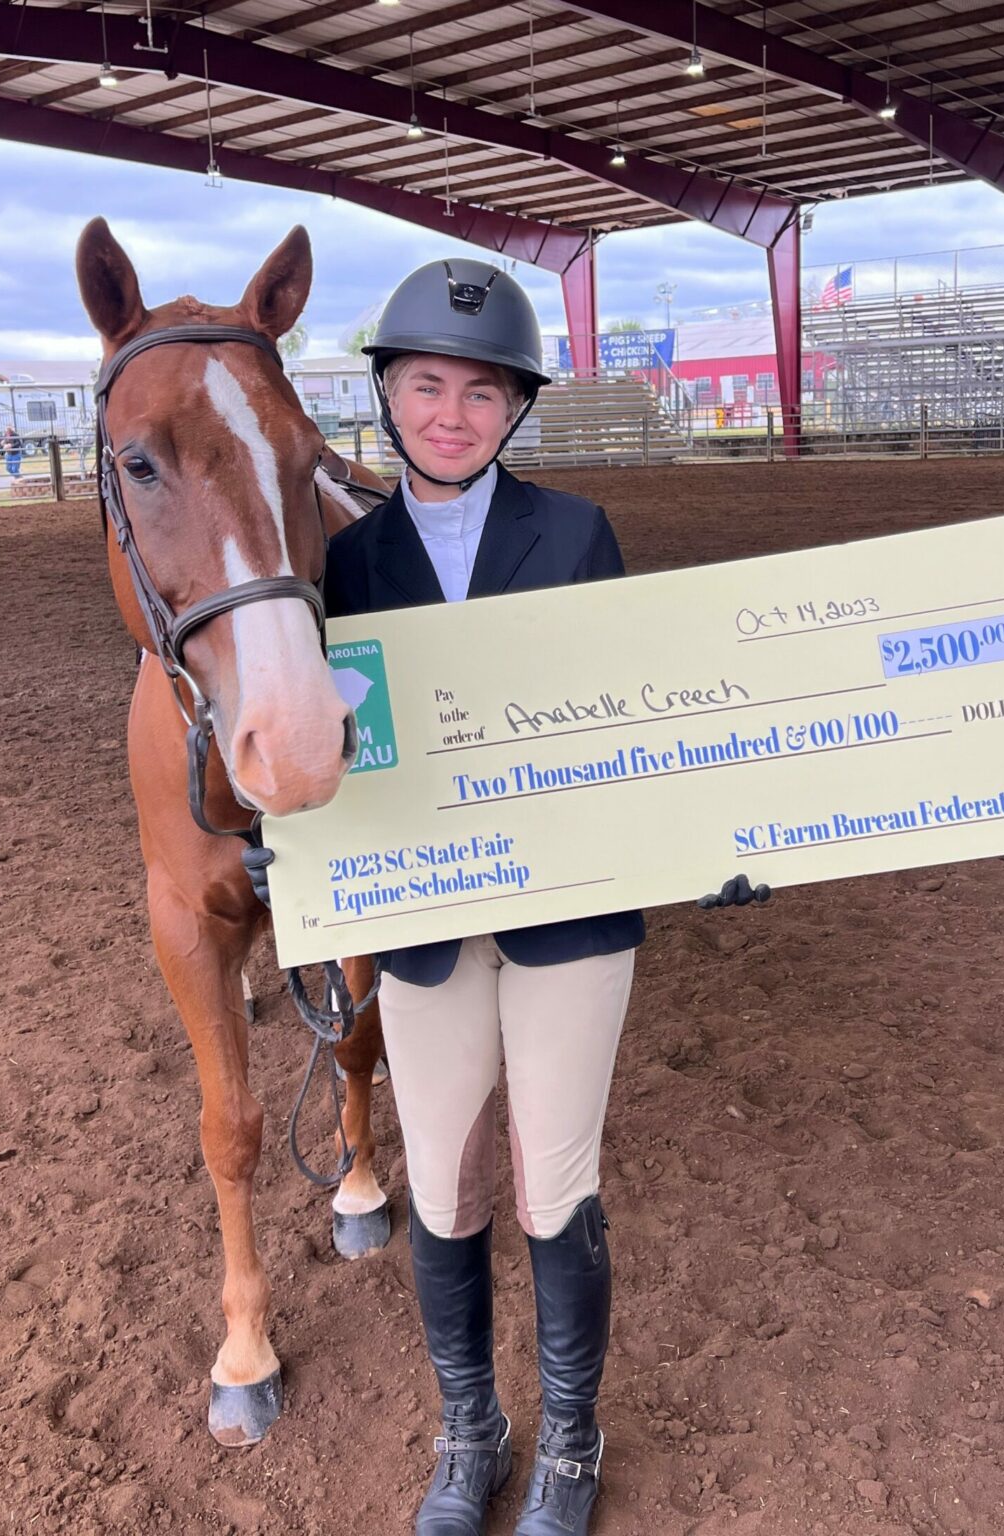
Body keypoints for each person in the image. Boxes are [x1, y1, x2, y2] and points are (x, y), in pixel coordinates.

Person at [246, 259, 769, 1536]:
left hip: (566, 924)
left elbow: (648, 713)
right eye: (426, 384)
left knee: (554, 1183)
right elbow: (316, 728)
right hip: (426, 928)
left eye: (482, 394)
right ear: (387, 392)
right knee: (441, 1186)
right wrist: (291, 839)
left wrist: (720, 831)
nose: (451, 413)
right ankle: (469, 1431)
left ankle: (571, 1443)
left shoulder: (578, 534)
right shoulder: (344, 561)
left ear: (514, 412)